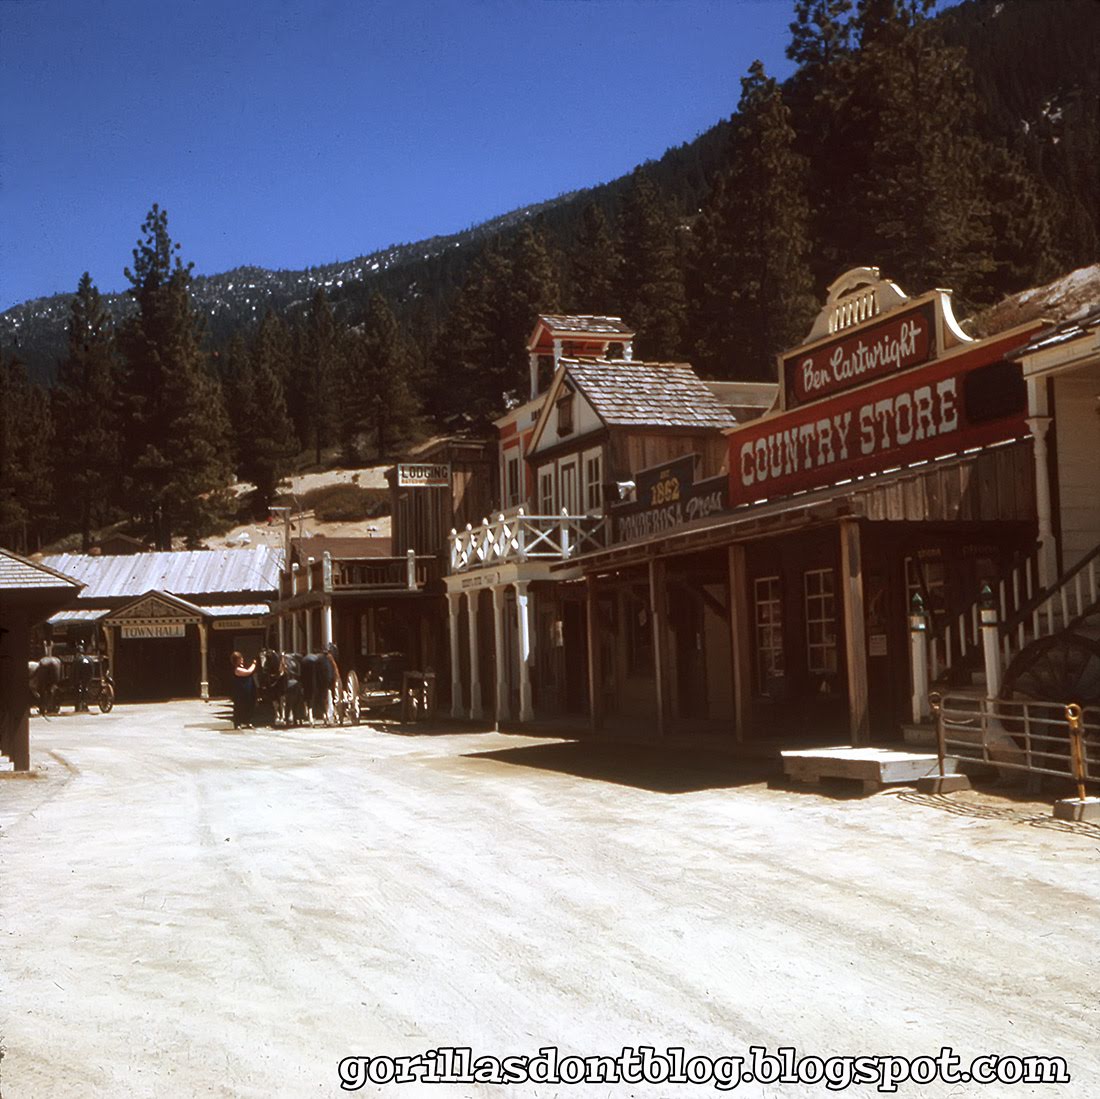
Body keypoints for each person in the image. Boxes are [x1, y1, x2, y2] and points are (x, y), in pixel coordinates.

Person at [231, 651, 257, 729]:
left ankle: (247, 721)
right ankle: (237, 723)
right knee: (239, 706)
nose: (242, 659)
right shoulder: (237, 669)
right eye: (239, 658)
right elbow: (248, 672)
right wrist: (254, 664)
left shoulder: (243, 666)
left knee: (249, 706)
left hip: (248, 690)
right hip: (240, 691)